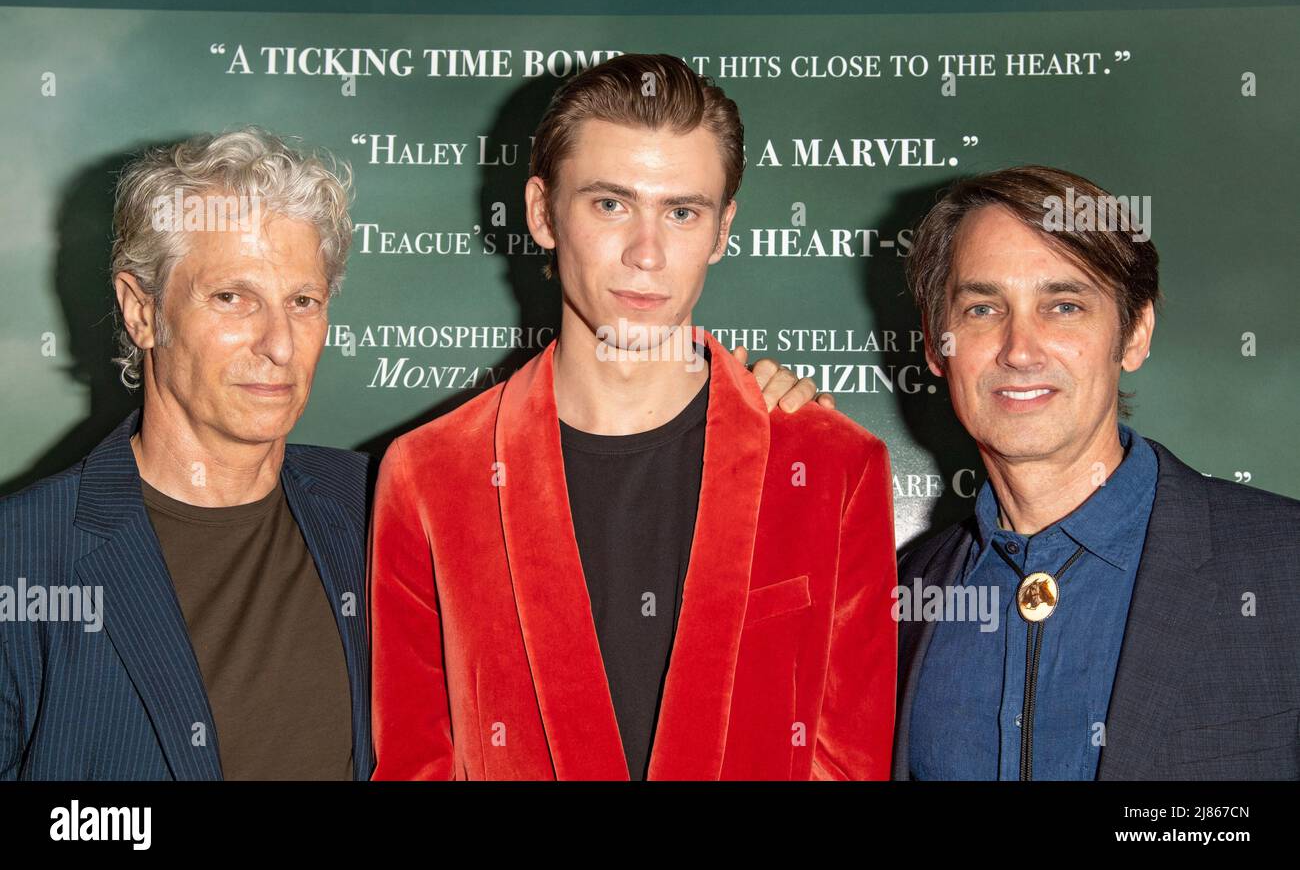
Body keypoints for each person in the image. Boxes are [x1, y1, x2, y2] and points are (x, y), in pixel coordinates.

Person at [0, 126, 828, 780]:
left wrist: (757, 409)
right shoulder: (24, 559)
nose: (278, 345)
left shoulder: (383, 501)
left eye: (303, 301)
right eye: (232, 298)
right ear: (140, 311)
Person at [368, 54, 898, 780]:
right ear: (540, 213)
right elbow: (415, 766)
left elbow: (851, 765)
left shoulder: (832, 463)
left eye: (681, 212)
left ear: (720, 231)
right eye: (610, 204)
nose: (646, 254)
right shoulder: (432, 475)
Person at [894, 165, 1300, 780]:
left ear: (1134, 334)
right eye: (982, 308)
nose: (1020, 349)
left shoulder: (1285, 566)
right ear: (935, 344)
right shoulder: (899, 595)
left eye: (1063, 306)